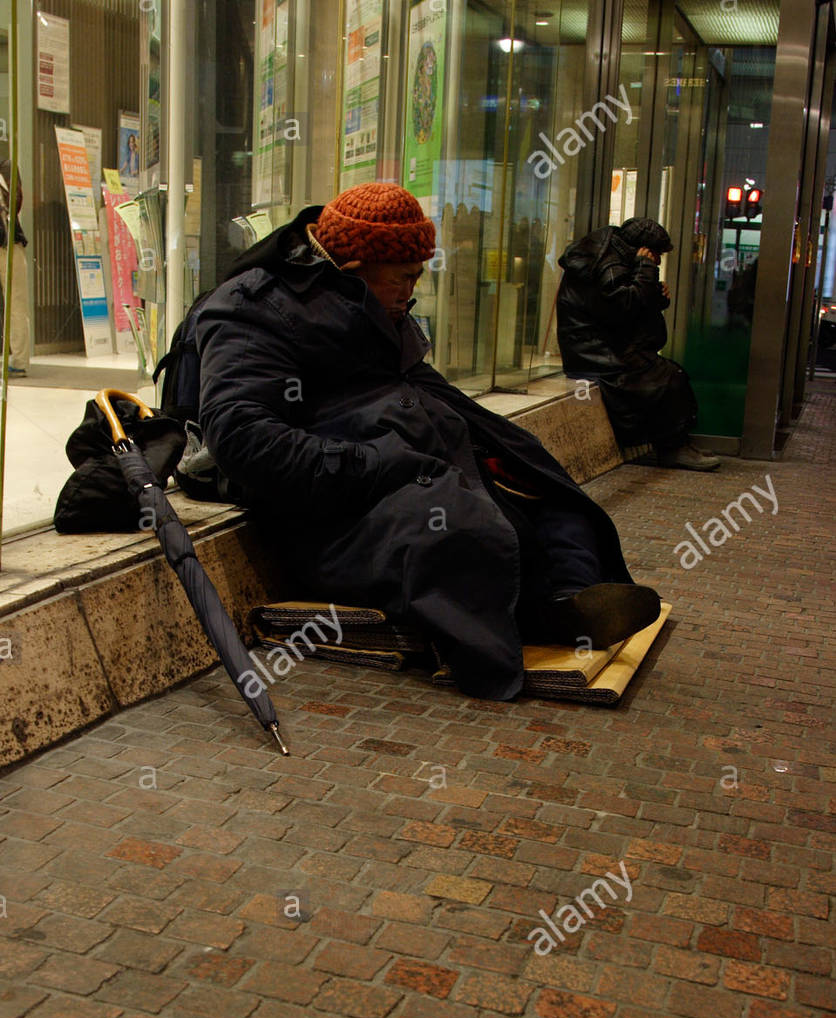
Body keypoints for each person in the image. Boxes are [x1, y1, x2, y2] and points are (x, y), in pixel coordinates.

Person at [196, 183, 661, 701]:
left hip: (410, 456)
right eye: (404, 279)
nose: (412, 291)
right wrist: (380, 462)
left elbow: (412, 386)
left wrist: (485, 444)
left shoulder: (375, 301)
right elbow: (242, 438)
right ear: (351, 271)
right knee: (468, 527)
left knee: (541, 486)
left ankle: (567, 600)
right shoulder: (250, 308)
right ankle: (532, 613)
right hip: (339, 502)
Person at [556, 217, 719, 471]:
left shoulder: (615, 257)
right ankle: (672, 447)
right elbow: (624, 306)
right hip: (596, 353)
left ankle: (677, 443)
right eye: (655, 255)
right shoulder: (609, 264)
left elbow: (628, 304)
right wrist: (646, 272)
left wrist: (655, 293)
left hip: (606, 346)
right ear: (643, 249)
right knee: (668, 379)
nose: (658, 261)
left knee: (669, 374)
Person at [0, 160, 30, 378]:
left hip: (8, 243)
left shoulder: (7, 167)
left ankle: (18, 360)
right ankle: (18, 360)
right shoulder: (8, 168)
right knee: (17, 302)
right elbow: (16, 204)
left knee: (15, 303)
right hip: (9, 244)